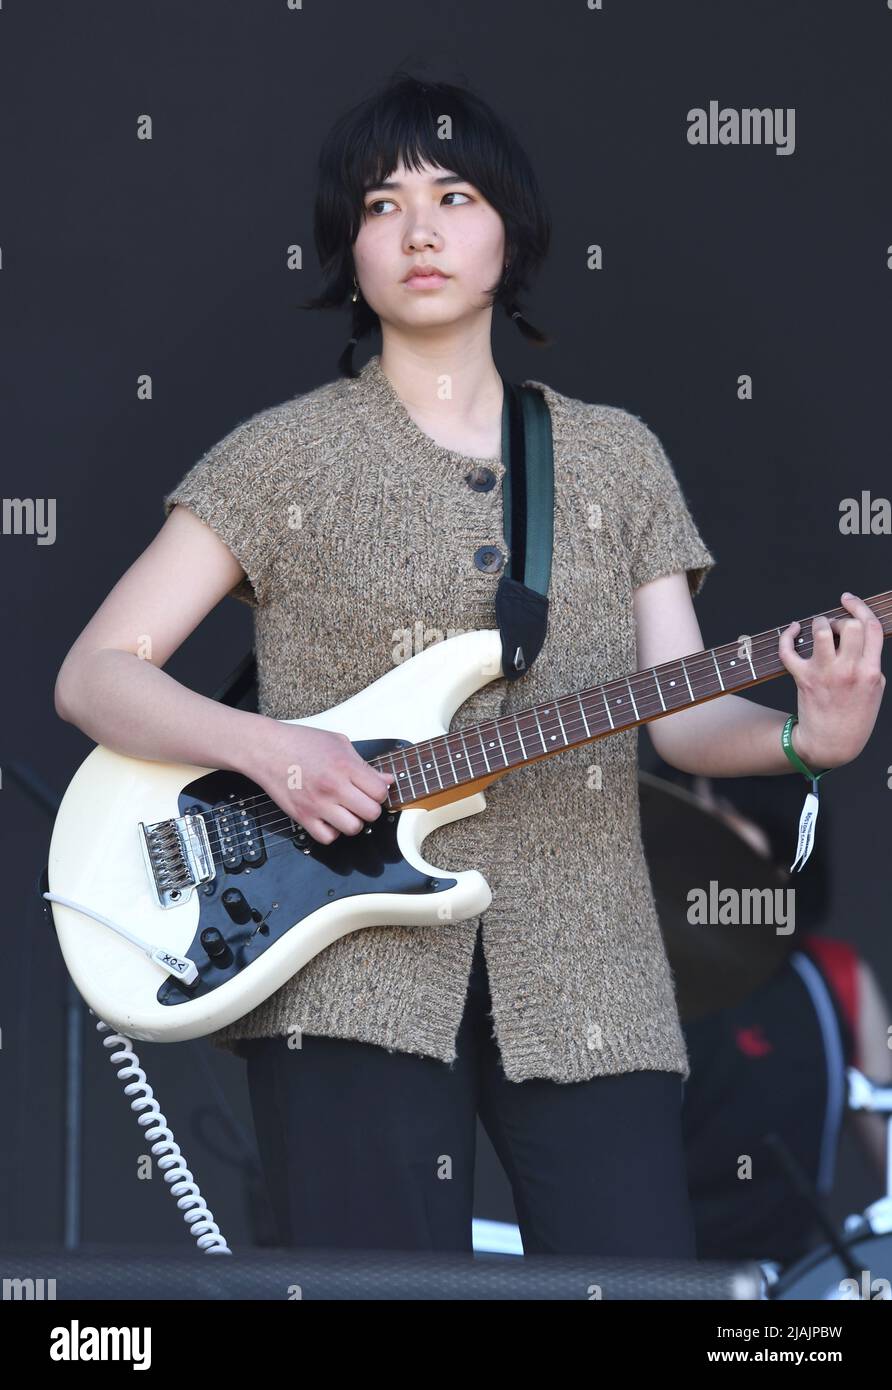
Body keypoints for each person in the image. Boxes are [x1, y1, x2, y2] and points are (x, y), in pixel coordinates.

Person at [53, 71, 886, 1258]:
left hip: (589, 965)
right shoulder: (281, 457)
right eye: (383, 204)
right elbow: (95, 675)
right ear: (348, 246)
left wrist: (808, 738)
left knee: (634, 1285)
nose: (422, 228)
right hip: (339, 962)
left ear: (513, 233)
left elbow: (684, 717)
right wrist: (271, 749)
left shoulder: (616, 458)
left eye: (455, 195)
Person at [640, 755, 892, 1265]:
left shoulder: (836, 979)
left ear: (785, 857)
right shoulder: (619, 971)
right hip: (641, 1277)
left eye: (727, 815)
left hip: (785, 1287)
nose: (703, 832)